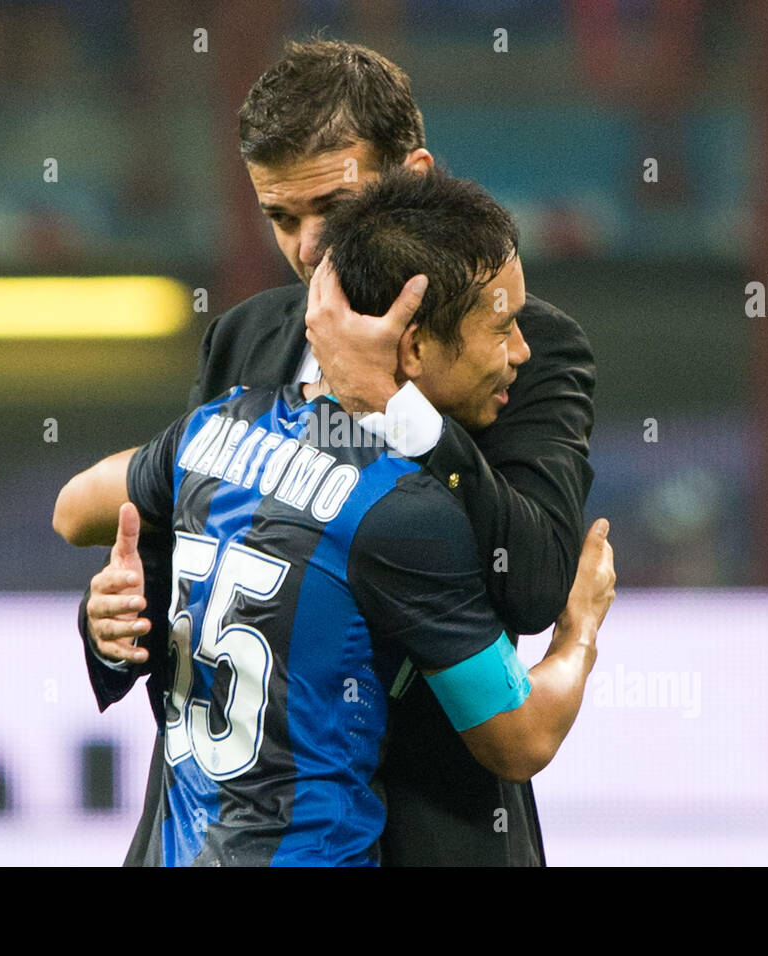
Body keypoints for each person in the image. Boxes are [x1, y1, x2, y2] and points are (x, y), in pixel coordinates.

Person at [54, 38, 596, 866]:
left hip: (432, 833)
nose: (309, 246)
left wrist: (400, 410)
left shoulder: (522, 347)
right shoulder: (244, 339)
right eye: (280, 217)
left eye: (332, 209)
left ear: (413, 178)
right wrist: (112, 626)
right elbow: (192, 570)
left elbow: (531, 586)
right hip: (215, 832)